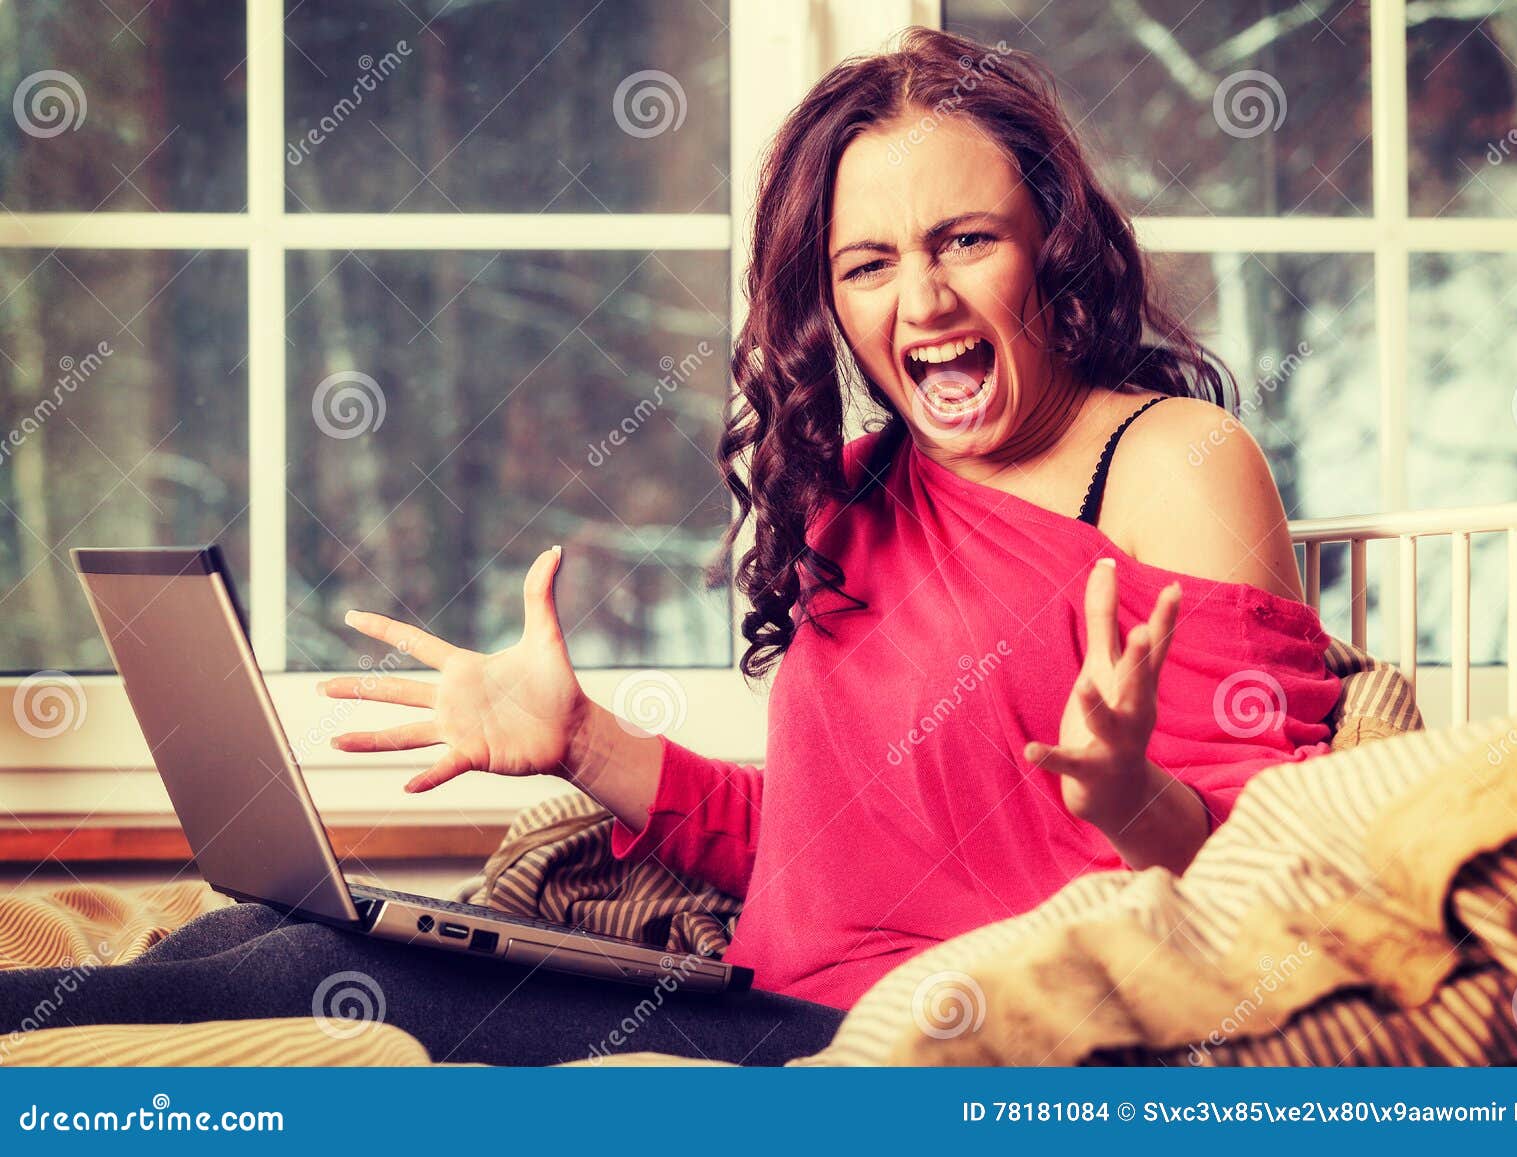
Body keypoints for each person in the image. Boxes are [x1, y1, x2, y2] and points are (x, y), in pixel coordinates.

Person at [0, 28, 1339, 1065]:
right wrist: (578, 737)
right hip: (752, 995)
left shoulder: (1168, 461)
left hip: (903, 1041)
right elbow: (817, 845)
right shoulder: (861, 490)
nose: (920, 296)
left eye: (966, 240)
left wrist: (1123, 794)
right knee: (263, 931)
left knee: (288, 987)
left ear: (1053, 243)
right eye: (866, 262)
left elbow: (1269, 881)